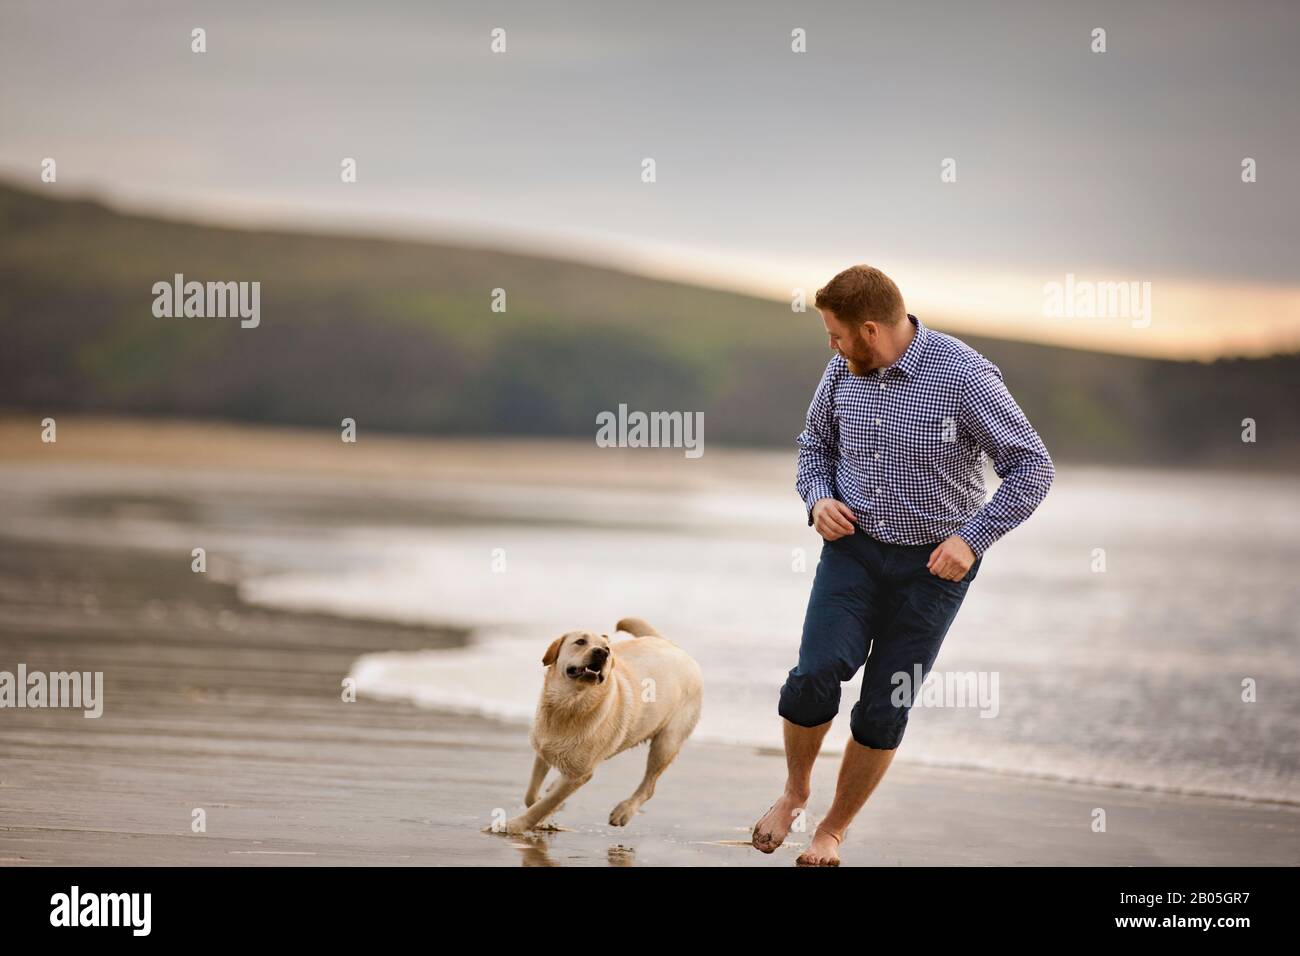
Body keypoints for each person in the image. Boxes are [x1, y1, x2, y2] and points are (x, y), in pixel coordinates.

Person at [751, 264, 1054, 866]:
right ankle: (794, 792)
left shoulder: (965, 376)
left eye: (836, 334)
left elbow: (1033, 468)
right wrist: (818, 499)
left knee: (886, 703)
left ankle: (832, 830)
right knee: (815, 674)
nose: (830, 347)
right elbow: (814, 447)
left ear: (869, 329)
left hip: (935, 568)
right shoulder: (843, 368)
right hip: (854, 552)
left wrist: (974, 538)